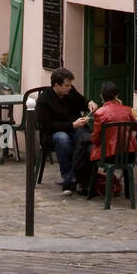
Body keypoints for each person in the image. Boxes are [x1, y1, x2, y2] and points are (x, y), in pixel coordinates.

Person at [34, 68, 96, 196]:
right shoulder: (43, 100)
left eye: (70, 85)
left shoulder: (71, 92)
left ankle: (85, 180)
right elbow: (48, 126)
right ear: (56, 85)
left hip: (74, 129)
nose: (69, 88)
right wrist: (72, 125)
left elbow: (82, 102)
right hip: (52, 135)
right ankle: (69, 180)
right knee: (62, 139)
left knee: (85, 137)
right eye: (66, 85)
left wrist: (90, 103)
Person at [82, 81, 137, 195]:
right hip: (129, 154)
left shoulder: (100, 113)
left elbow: (96, 139)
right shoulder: (128, 110)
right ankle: (128, 193)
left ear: (101, 96)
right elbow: (135, 127)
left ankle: (86, 185)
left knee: (85, 147)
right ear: (117, 96)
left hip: (108, 156)